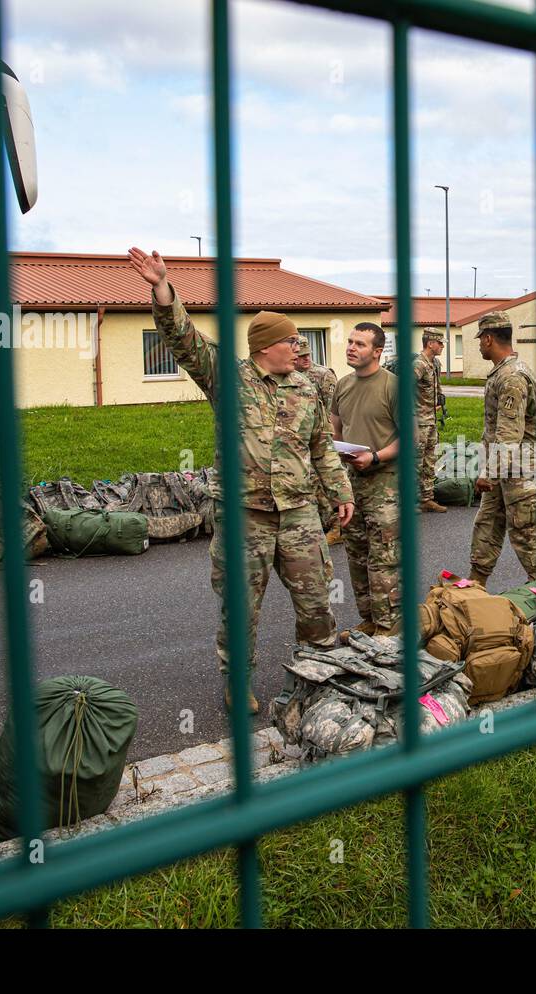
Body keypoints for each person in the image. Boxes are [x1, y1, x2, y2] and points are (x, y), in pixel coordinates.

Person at [127, 247, 353, 714]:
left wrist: (340, 491)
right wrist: (161, 289)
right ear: (266, 345)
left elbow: (321, 448)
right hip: (244, 516)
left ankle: (316, 678)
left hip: (298, 514)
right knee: (241, 609)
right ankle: (237, 683)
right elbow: (183, 337)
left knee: (316, 604)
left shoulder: (307, 387)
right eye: (291, 341)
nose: (298, 348)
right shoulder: (227, 376)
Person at [332, 322, 402, 637]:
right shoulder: (342, 385)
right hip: (352, 482)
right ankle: (369, 620)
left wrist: (374, 457)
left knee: (384, 557)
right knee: (357, 554)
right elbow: (336, 430)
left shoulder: (393, 386)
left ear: (377, 352)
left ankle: (389, 626)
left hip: (385, 482)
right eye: (350, 341)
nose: (351, 347)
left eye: (360, 344)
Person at [469, 311, 536, 584]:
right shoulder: (505, 371)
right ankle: (476, 582)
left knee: (526, 535)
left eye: (480, 340)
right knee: (487, 523)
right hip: (503, 467)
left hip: (520, 469)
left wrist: (490, 473)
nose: (478, 345)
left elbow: (509, 435)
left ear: (489, 339)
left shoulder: (511, 377)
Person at [295, 336, 342, 544]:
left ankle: (337, 525)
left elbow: (334, 408)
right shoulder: (288, 376)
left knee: (322, 480)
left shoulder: (323, 374)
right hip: (298, 437)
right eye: (301, 355)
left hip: (321, 435)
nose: (305, 359)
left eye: (308, 355)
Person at [414, 328, 447, 513]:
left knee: (429, 461)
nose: (442, 346)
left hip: (431, 420)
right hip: (418, 421)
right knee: (415, 462)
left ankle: (426, 499)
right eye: (440, 343)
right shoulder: (418, 365)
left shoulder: (434, 363)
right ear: (430, 343)